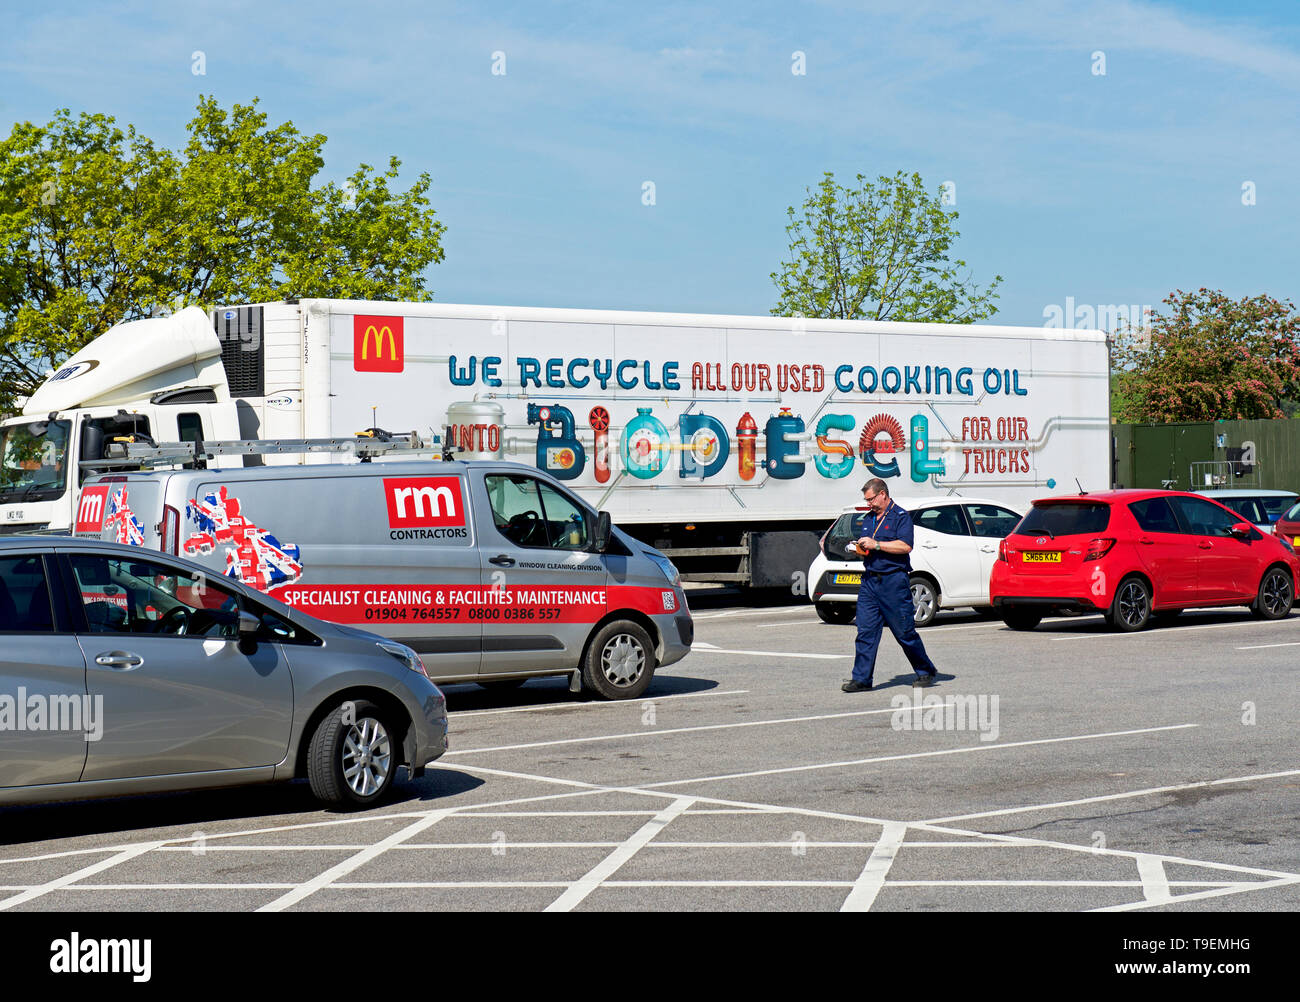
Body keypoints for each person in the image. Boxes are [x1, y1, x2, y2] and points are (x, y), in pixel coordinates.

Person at [842, 478, 939, 692]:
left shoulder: (900, 517)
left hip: (893, 581)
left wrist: (876, 544)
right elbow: (869, 547)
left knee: (904, 631)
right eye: (866, 500)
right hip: (870, 581)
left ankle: (925, 670)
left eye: (871, 499)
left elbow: (905, 546)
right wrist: (859, 548)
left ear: (883, 494)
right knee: (865, 631)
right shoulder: (868, 519)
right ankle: (861, 679)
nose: (869, 504)